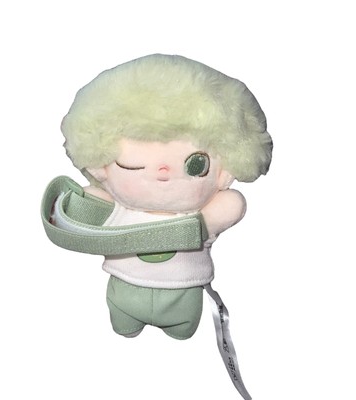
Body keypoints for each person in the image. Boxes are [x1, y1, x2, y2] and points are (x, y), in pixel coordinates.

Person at [57, 54, 272, 339]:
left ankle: (179, 328)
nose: (162, 171)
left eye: (195, 164)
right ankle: (128, 323)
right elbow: (85, 207)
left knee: (183, 331)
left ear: (225, 170)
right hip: (124, 291)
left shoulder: (198, 219)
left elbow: (228, 207)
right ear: (101, 165)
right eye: (134, 164)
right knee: (123, 325)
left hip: (183, 297)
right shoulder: (117, 205)